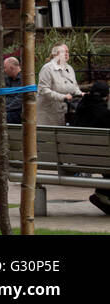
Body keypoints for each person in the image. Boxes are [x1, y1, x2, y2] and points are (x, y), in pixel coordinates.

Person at [72, 81, 110, 216]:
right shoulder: (104, 113)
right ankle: (102, 194)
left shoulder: (80, 108)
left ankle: (102, 194)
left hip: (77, 157)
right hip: (98, 159)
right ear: (106, 96)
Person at [37, 42, 83, 126]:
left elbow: (74, 87)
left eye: (67, 52)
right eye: (63, 52)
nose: (66, 54)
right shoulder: (47, 69)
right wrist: (62, 97)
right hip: (48, 113)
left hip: (64, 112)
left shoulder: (69, 68)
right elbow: (44, 90)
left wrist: (81, 93)